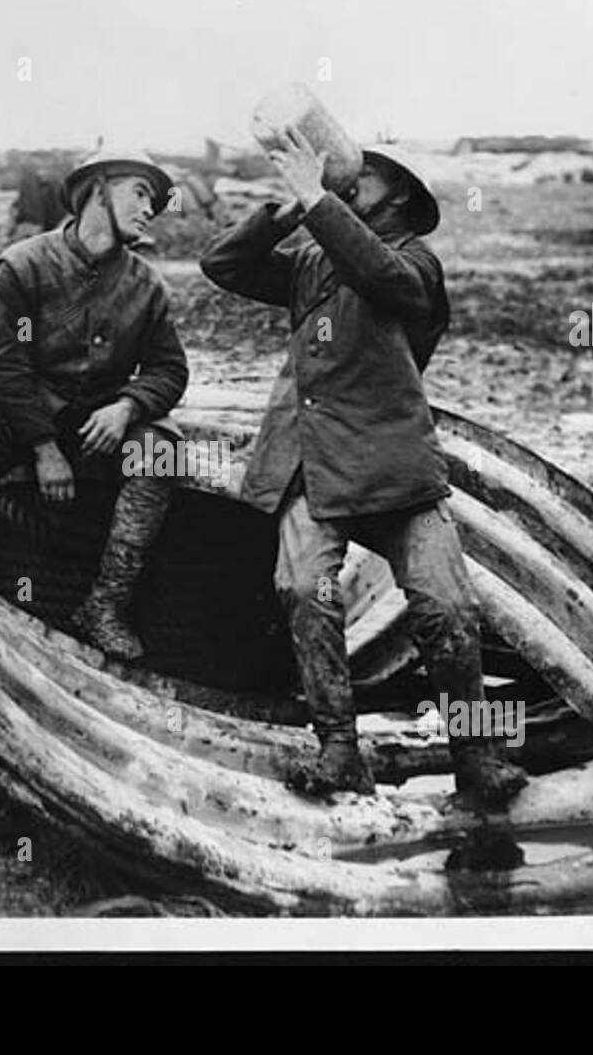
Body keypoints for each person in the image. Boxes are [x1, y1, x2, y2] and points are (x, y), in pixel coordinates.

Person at [199, 127, 528, 807]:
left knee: (447, 607)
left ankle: (477, 758)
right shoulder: (312, 259)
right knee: (303, 592)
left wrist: (319, 202)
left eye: (368, 176)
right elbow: (221, 264)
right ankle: (339, 750)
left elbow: (378, 274)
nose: (353, 179)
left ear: (400, 199)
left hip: (392, 463)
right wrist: (289, 212)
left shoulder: (416, 263)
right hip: (310, 461)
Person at [0, 149, 189, 661]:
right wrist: (45, 447)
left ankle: (104, 605)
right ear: (97, 190)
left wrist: (127, 408)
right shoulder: (23, 265)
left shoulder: (146, 286)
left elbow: (169, 369)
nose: (150, 208)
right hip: (17, 408)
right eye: (139, 192)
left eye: (154, 200)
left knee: (161, 449)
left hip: (96, 419)